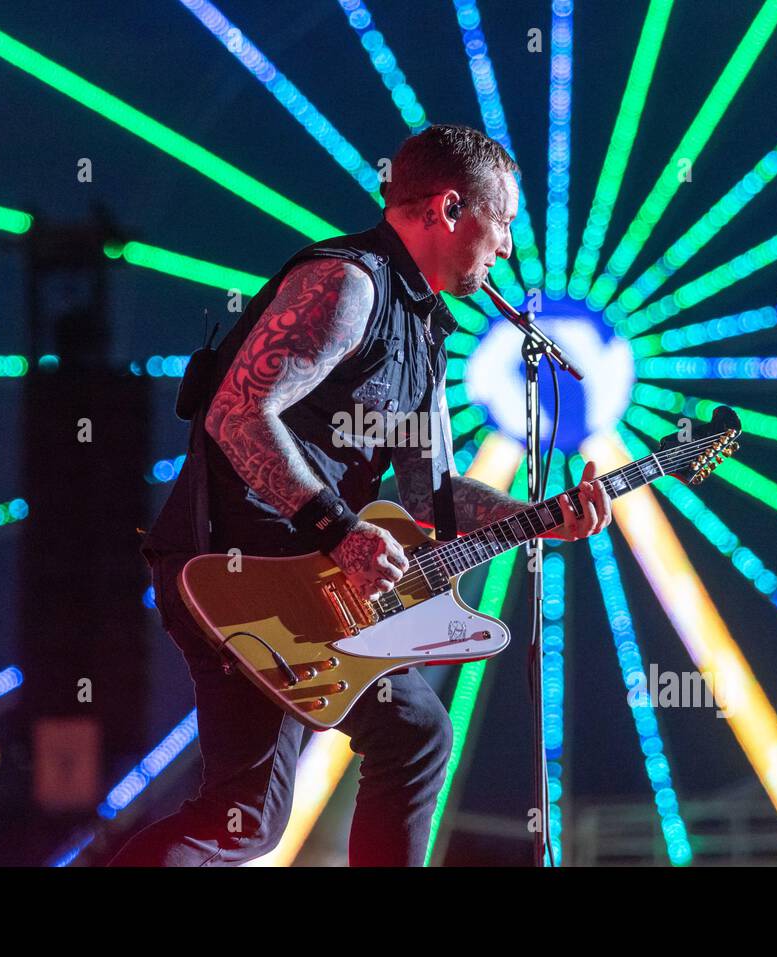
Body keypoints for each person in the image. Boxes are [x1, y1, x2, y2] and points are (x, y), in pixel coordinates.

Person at [109, 124, 611, 867]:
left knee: (412, 737)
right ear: (449, 209)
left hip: (310, 584)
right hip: (236, 575)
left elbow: (428, 502)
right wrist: (339, 529)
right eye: (501, 222)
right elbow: (237, 413)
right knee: (243, 819)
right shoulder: (350, 285)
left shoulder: (424, 334)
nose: (506, 247)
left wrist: (540, 520)